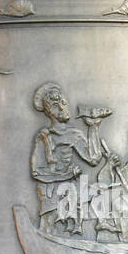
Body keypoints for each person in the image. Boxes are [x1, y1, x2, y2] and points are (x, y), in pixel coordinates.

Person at [29, 83, 99, 234]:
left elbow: (94, 159)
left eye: (63, 102)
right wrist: (66, 174)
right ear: (48, 112)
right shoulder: (44, 136)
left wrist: (94, 128)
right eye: (55, 105)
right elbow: (36, 172)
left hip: (70, 190)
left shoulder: (74, 134)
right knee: (47, 227)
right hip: (50, 191)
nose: (61, 108)